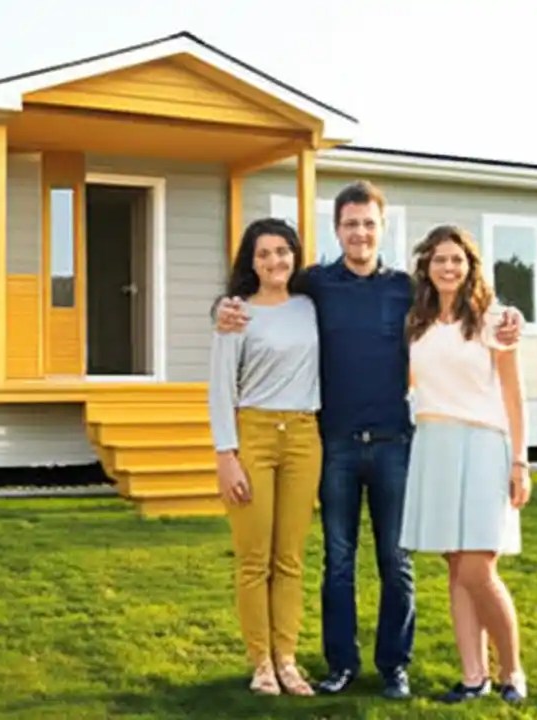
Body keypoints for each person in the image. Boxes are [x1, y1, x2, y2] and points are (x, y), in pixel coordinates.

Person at [213, 181, 524, 700]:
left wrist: (509, 314)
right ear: (337, 229)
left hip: (395, 443)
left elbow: (466, 299)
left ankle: (394, 665)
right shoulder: (314, 284)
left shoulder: (407, 289)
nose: (359, 233)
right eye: (350, 223)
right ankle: (341, 665)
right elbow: (265, 297)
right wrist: (221, 311)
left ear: (382, 229)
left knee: (394, 563)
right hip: (333, 442)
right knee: (338, 560)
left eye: (369, 224)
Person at [399, 224, 532, 705]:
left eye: (457, 259)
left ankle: (512, 671)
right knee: (455, 567)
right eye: (439, 260)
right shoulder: (417, 322)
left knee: (479, 568)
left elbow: (515, 396)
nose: (448, 267)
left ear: (470, 267)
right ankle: (473, 678)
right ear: (427, 268)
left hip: (484, 444)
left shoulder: (495, 321)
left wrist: (520, 460)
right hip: (435, 442)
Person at [207, 217, 323, 697]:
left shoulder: (312, 306)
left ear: (295, 255)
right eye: (264, 254)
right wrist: (226, 456)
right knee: (254, 559)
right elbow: (220, 387)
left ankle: (288, 659)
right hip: (252, 433)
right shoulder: (235, 314)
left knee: (290, 558)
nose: (275, 261)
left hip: (303, 435)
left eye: (283, 251)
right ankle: (261, 664)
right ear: (250, 263)